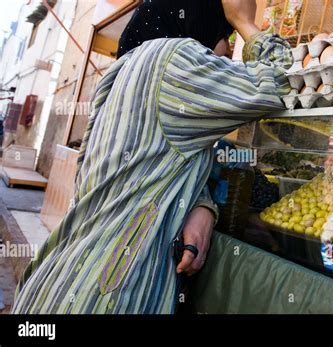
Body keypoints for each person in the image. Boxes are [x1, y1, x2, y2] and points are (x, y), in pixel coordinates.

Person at [13, 0, 292, 314]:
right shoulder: (175, 58)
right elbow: (280, 83)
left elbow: (157, 162)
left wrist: (203, 207)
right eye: (224, 33)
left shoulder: (124, 71)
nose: (228, 47)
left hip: (59, 283)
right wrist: (244, 22)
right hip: (101, 296)